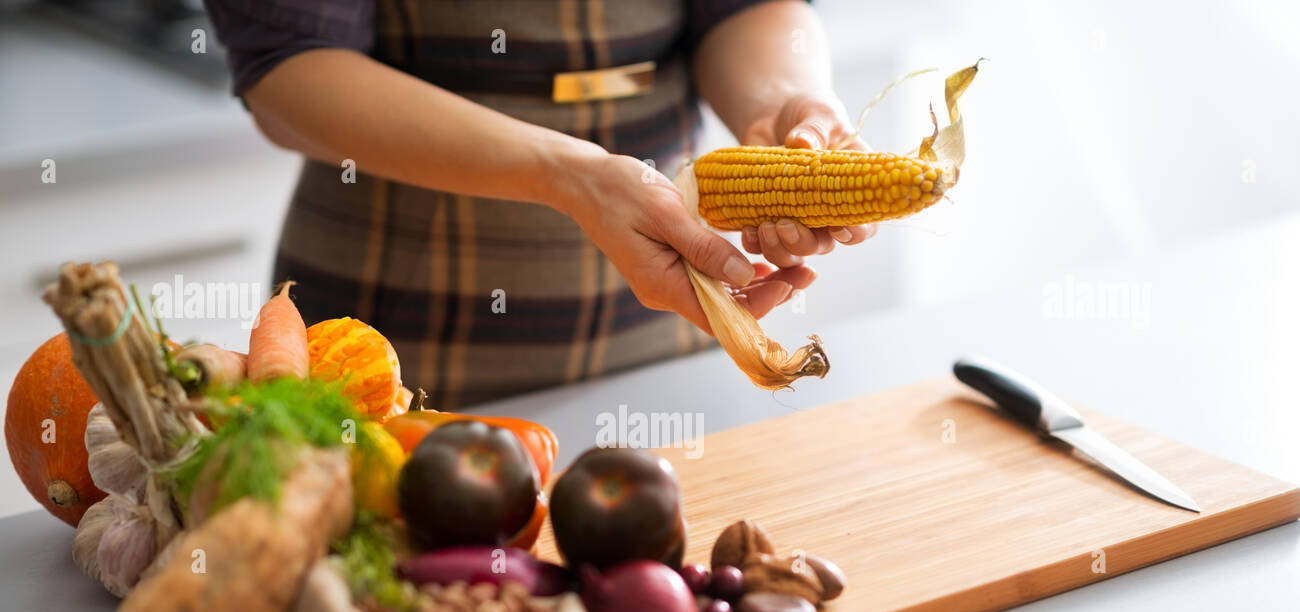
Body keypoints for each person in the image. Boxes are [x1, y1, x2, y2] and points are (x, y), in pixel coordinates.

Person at [204, 0, 875, 408]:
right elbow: (290, 64)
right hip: (398, 336)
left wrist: (779, 104)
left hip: (673, 331)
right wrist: (571, 175)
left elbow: (740, 7)